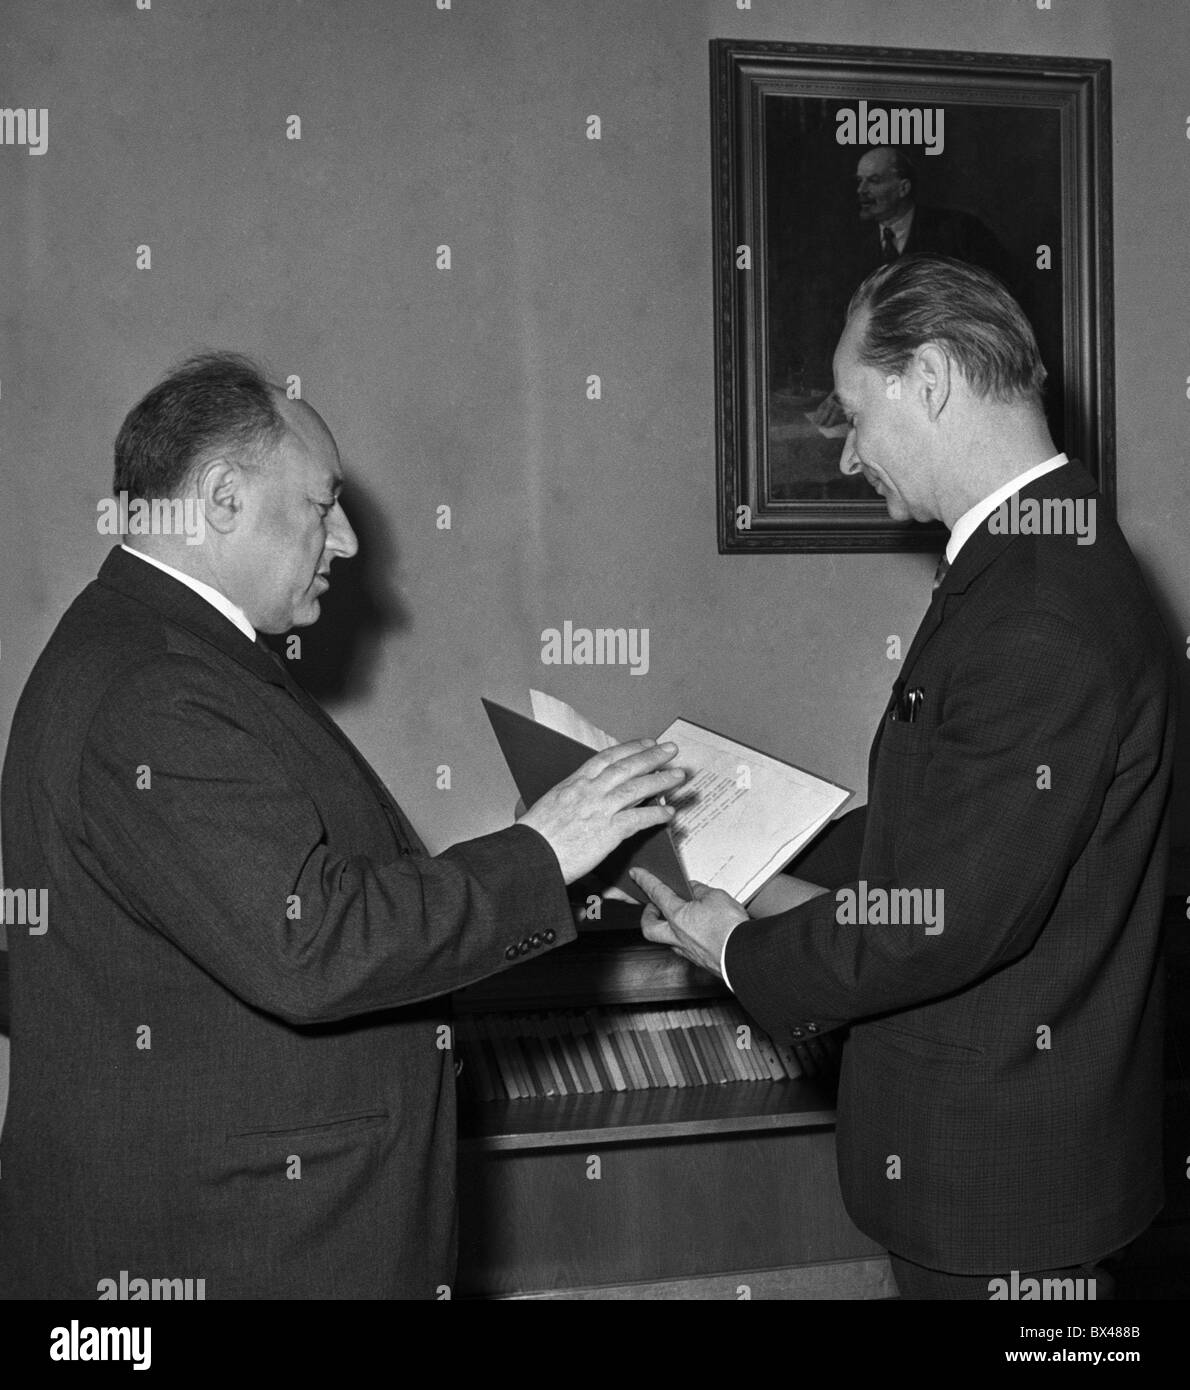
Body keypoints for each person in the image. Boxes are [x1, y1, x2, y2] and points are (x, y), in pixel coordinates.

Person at [0, 352, 684, 1300]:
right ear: (223, 498)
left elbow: (296, 904)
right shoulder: (158, 686)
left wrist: (550, 859)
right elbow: (308, 941)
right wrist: (542, 851)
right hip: (239, 1247)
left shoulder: (162, 652)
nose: (351, 541)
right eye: (324, 505)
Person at [634, 256, 1175, 1300]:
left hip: (997, 1200)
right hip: (1010, 1176)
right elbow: (961, 828)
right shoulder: (1040, 553)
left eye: (850, 413)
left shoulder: (1033, 603)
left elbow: (949, 914)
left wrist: (738, 946)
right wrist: (753, 848)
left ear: (925, 380)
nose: (845, 456)